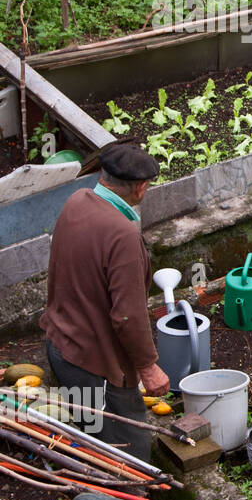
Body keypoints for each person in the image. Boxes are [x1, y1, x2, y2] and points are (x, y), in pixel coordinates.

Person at [40, 141, 170, 461]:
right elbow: (127, 315)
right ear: (141, 188)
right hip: (96, 365)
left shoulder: (77, 201)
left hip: (62, 348)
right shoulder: (122, 233)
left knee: (90, 433)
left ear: (103, 174)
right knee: (127, 454)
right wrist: (148, 367)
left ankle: (93, 484)